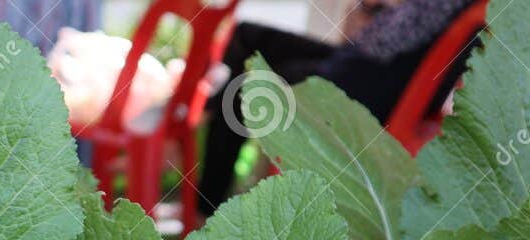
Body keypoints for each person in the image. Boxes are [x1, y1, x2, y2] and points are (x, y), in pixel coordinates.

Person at [199, 0, 478, 215]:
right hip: (357, 64)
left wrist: (373, 12)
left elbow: (383, 45)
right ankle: (210, 110)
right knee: (249, 34)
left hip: (360, 83)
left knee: (247, 88)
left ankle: (207, 209)